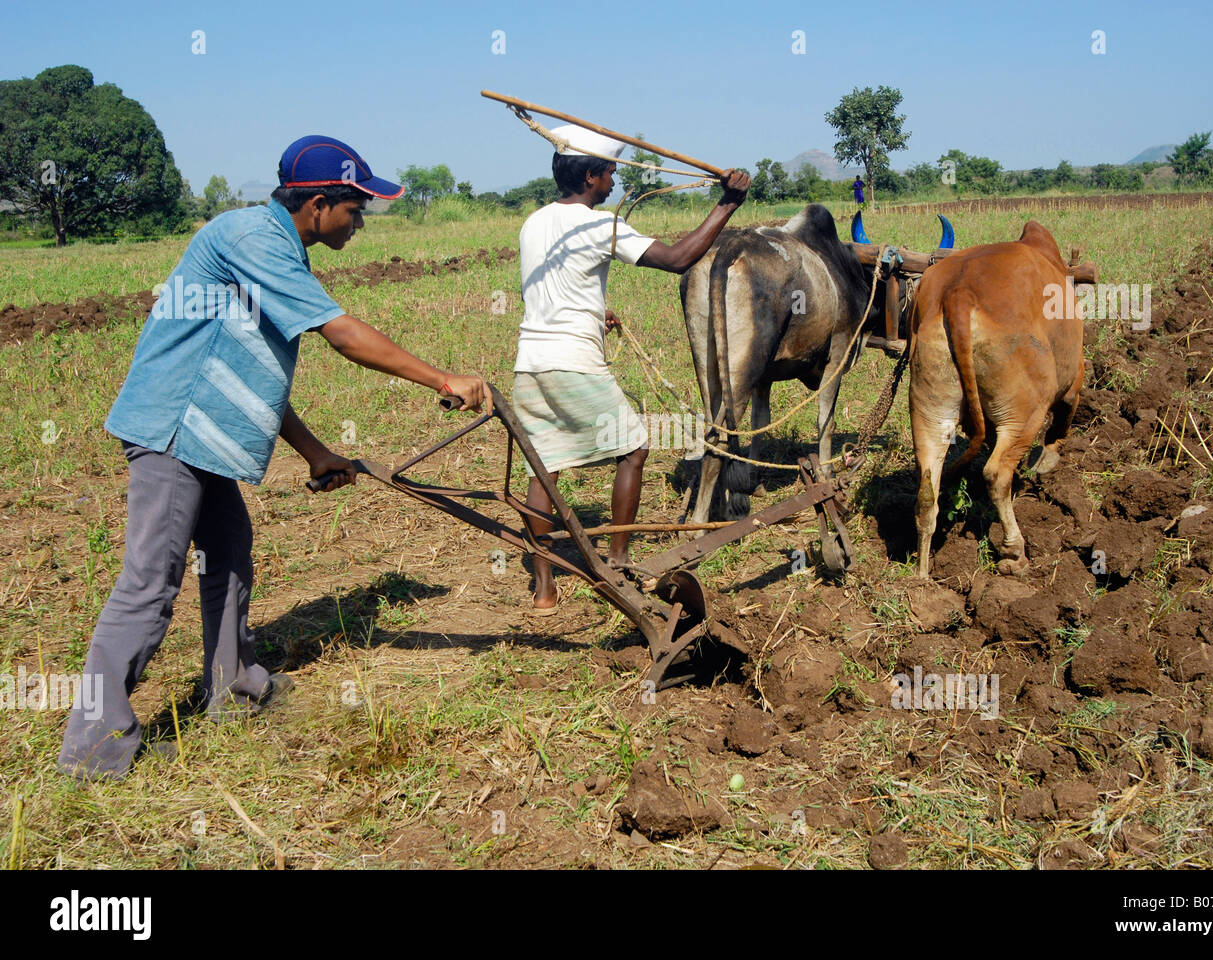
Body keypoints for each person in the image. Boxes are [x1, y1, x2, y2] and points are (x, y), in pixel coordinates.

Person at [57, 135, 490, 780]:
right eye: (355, 208)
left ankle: (231, 689)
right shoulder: (254, 240)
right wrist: (441, 380)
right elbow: (341, 334)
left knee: (228, 551)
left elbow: (249, 370)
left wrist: (314, 452)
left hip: (202, 432)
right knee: (149, 583)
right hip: (175, 429)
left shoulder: (276, 249)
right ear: (317, 204)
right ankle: (93, 750)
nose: (360, 222)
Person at [513, 124, 749, 612]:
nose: (615, 180)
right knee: (636, 448)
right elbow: (680, 258)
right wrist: (727, 204)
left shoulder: (533, 223)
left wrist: (595, 311)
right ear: (592, 176)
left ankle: (543, 590)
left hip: (530, 362)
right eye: (611, 173)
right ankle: (616, 564)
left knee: (545, 467)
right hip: (573, 364)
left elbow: (552, 285)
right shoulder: (600, 226)